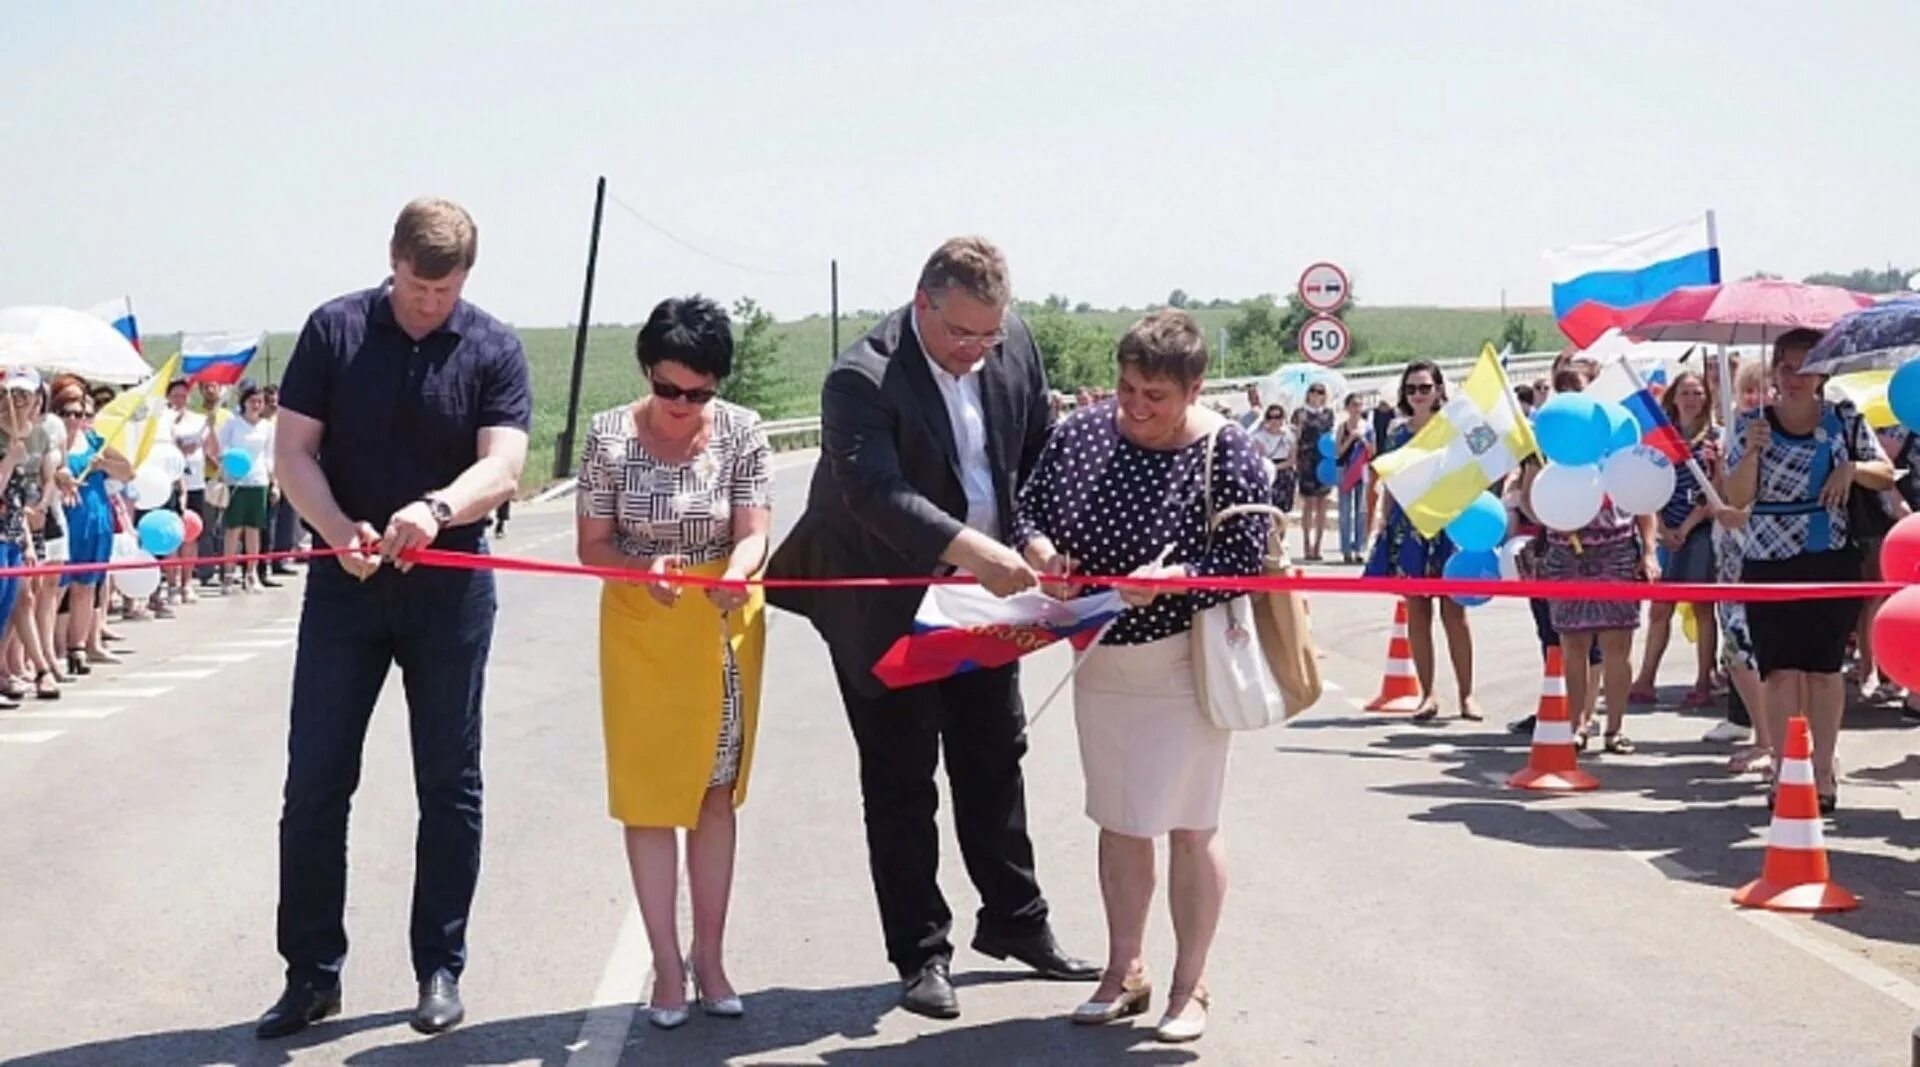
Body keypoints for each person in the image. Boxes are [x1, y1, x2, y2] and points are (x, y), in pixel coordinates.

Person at [766, 236, 1097, 1021]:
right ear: (923, 306)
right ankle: (920, 951)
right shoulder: (862, 376)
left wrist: (1036, 539)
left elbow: (1035, 458)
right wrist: (977, 551)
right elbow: (875, 494)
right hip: (886, 600)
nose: (979, 351)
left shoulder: (1008, 343)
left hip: (986, 600)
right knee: (902, 775)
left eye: (992, 334)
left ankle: (1016, 920)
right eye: (962, 335)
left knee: (994, 753)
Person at [258, 197, 531, 1039]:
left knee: (450, 782)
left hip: (449, 584)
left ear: (466, 278)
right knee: (315, 781)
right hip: (347, 584)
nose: (428, 304)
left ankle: (440, 966)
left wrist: (438, 507)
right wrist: (337, 530)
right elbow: (293, 450)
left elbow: (506, 463)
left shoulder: (492, 345)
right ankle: (310, 974)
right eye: (417, 287)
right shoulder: (334, 331)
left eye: (444, 291)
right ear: (393, 262)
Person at [1014, 310, 1268, 1044]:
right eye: (1126, 388)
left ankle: (1191, 984)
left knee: (1191, 822)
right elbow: (1029, 508)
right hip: (1100, 656)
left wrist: (1179, 580)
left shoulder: (1230, 451)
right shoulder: (1082, 431)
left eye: (1154, 394)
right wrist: (1043, 552)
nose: (1134, 406)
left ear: (1196, 387)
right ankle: (1124, 967)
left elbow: (1245, 561)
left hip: (1185, 660)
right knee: (1120, 818)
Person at [575, 296, 772, 1029]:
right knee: (651, 797)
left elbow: (755, 530)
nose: (683, 405)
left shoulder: (745, 432)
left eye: (699, 393)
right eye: (668, 389)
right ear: (646, 373)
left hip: (721, 627)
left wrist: (739, 567)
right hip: (640, 628)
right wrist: (637, 565)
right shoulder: (606, 438)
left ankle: (710, 955)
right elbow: (591, 546)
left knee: (715, 793)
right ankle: (664, 962)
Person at [1724, 329, 1893, 813]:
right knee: (1780, 672)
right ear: (1774, 370)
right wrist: (1753, 450)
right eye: (1784, 368)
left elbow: (1885, 472)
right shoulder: (1751, 423)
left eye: (1804, 368)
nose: (1793, 378)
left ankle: (1823, 770)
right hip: (1767, 560)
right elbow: (1736, 497)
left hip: (1830, 556)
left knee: (1823, 672)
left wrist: (1852, 470)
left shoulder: (1844, 418)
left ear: (1822, 373)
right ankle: (1783, 769)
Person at [1523, 368, 1656, 755]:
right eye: (1561, 389)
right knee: (1573, 645)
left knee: (1618, 645)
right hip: (1566, 553)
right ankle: (1578, 723)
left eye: (1577, 389)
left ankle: (1615, 728)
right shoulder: (1546, 444)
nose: (1569, 397)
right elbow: (1534, 503)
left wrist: (1648, 552)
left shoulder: (1618, 438)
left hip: (1616, 550)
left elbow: (1642, 499)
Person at [1364, 362, 1481, 721]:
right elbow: (1390, 482)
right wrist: (1379, 523)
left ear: (1438, 389)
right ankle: (1427, 694)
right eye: (1412, 388)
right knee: (1417, 612)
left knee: (1454, 613)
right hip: (1408, 527)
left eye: (1425, 387)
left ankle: (1467, 695)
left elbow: (1480, 465)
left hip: (1449, 527)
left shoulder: (1454, 428)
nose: (1418, 394)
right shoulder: (1397, 433)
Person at [1629, 372, 1720, 709]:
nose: (1691, 399)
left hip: (1701, 530)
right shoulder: (1660, 439)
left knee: (1702, 606)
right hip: (1665, 528)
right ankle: (1645, 678)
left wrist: (1688, 525)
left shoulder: (1716, 439)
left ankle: (1703, 680)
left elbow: (1716, 491)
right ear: (1674, 397)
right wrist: (1664, 529)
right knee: (1660, 608)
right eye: (1685, 392)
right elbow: (1649, 486)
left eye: (1697, 392)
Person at [1709, 361, 1773, 774]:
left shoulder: (1781, 437)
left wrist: (1743, 516)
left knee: (1767, 654)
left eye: (1761, 388)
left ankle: (1777, 740)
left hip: (1767, 556)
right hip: (1730, 559)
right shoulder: (1734, 435)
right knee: (1736, 651)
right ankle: (1763, 737)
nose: (1753, 396)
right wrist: (1717, 471)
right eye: (1747, 389)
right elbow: (1723, 496)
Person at [53, 385, 133, 676]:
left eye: (81, 413)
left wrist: (105, 463)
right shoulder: (54, 442)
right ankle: (56, 649)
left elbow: (128, 470)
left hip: (95, 517)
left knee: (87, 587)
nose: (75, 420)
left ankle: (79, 647)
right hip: (66, 519)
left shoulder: (95, 440)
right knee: (57, 587)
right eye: (68, 414)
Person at [217, 382, 278, 592]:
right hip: (236, 482)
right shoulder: (233, 424)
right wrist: (227, 469)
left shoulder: (267, 427)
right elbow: (221, 449)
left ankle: (251, 573)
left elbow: (270, 456)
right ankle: (228, 574)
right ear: (244, 402)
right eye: (253, 401)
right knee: (233, 530)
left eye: (260, 402)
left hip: (258, 481)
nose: (256, 405)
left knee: (254, 529)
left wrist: (274, 483)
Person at [1291, 384, 1335, 561]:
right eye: (1313, 391)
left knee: (1323, 504)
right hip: (1307, 460)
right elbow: (1295, 438)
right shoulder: (1300, 413)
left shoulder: (1328, 413)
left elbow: (1331, 436)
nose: (1316, 395)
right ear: (1308, 394)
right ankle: (1306, 543)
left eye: (1320, 392)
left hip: (1324, 460)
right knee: (1308, 504)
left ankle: (1318, 545)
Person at [1334, 392, 1373, 564]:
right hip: (1345, 469)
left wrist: (1363, 439)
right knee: (1345, 511)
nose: (1357, 408)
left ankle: (1360, 548)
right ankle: (1346, 550)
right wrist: (1351, 438)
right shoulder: (1342, 427)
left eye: (1359, 404)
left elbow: (1373, 451)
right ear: (1347, 407)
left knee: (1361, 511)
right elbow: (1338, 452)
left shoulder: (1368, 427)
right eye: (1354, 405)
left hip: (1362, 469)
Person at [1246, 403, 1295, 516]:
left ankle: (1281, 533)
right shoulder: (1258, 437)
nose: (1275, 421)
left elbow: (1293, 459)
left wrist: (1277, 467)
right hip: (1266, 471)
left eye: (1278, 417)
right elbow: (1257, 458)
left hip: (1284, 473)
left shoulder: (1289, 436)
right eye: (1271, 417)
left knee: (1283, 510)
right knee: (1268, 507)